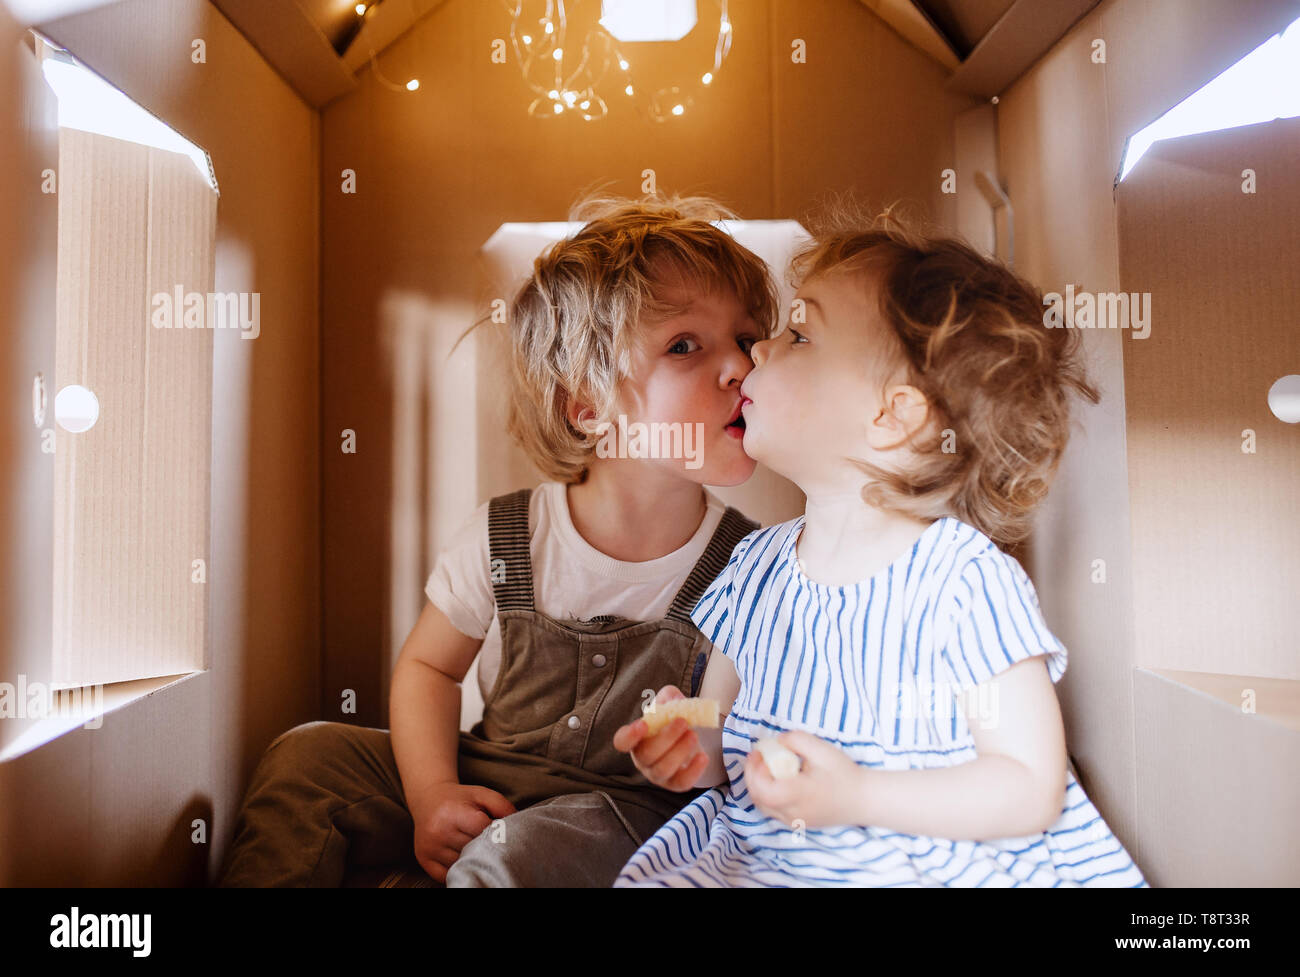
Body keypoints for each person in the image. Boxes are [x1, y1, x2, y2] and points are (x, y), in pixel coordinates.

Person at [217, 192, 779, 886]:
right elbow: (430, 668)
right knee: (307, 757)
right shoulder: (508, 535)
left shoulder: (750, 564)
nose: (741, 366)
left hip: (624, 814)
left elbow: (729, 713)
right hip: (488, 776)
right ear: (590, 408)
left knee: (517, 851)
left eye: (750, 339)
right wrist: (432, 794)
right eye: (686, 345)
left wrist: (689, 735)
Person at [613, 204, 1148, 887]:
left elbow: (1029, 785)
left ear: (892, 416)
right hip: (762, 860)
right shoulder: (753, 568)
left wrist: (858, 795)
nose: (761, 349)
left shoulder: (962, 578)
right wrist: (682, 734)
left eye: (799, 334)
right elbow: (721, 728)